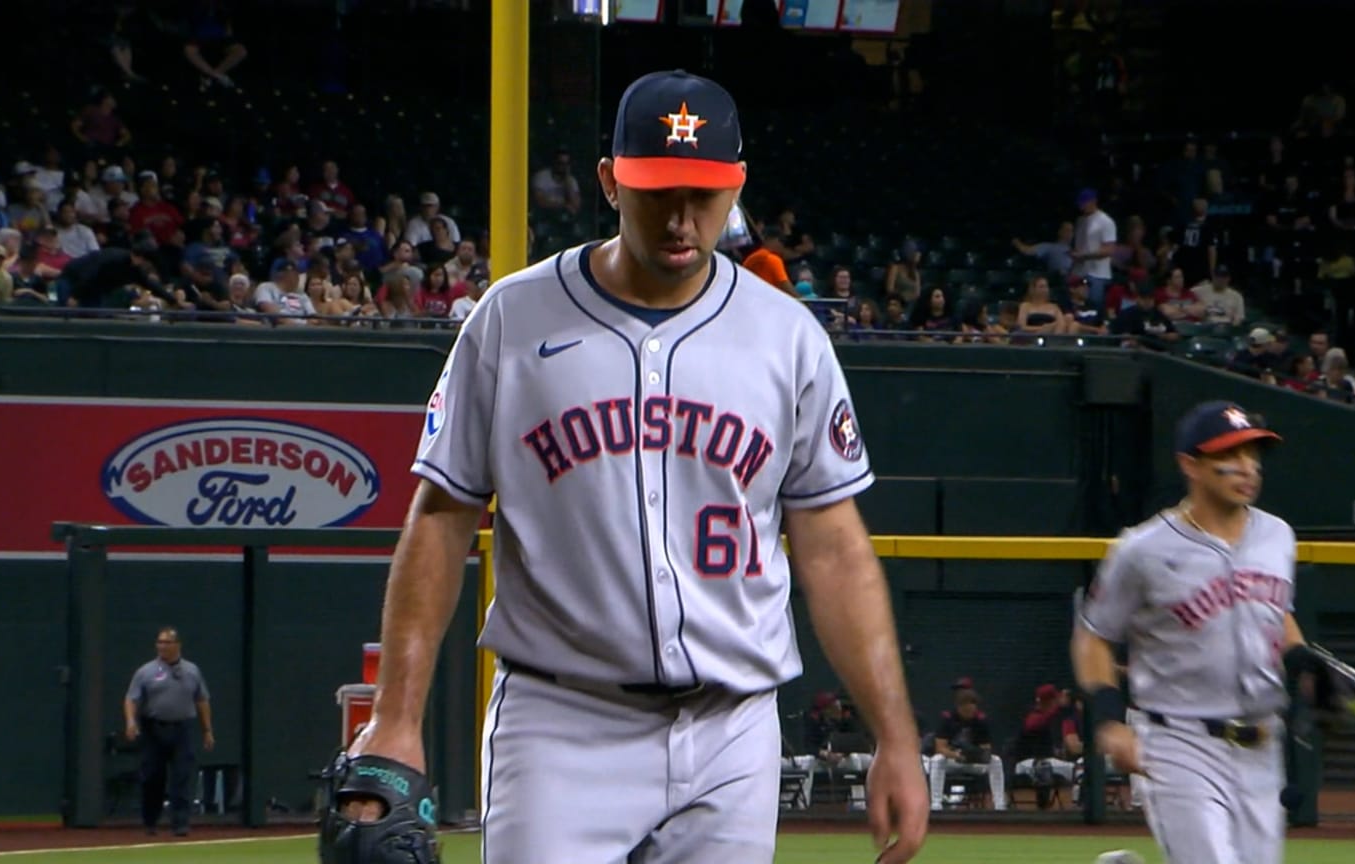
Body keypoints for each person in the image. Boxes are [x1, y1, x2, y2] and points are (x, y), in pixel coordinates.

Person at [336, 70, 929, 864]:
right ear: (611, 182)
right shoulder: (511, 317)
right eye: (657, 193)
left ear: (738, 186)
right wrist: (397, 718)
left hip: (734, 732)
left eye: (704, 193)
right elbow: (441, 520)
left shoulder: (788, 338)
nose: (683, 218)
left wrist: (893, 733)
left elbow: (835, 548)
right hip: (560, 723)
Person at [1072, 401, 1307, 864]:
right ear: (1190, 465)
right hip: (1180, 741)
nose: (1247, 468)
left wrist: (1303, 663)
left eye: (1253, 455)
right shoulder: (1143, 549)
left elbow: (1277, 615)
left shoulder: (1278, 536)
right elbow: (1093, 636)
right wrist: (1109, 718)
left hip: (1263, 744)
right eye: (1231, 455)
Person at [123, 627, 214, 837]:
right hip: (154, 728)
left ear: (177, 645)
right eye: (160, 642)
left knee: (182, 775)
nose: (162, 646)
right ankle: (150, 821)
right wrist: (131, 721)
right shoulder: (146, 671)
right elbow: (131, 698)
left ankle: (180, 823)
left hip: (182, 727)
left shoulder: (192, 671)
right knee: (153, 776)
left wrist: (207, 730)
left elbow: (201, 700)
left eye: (167, 642)